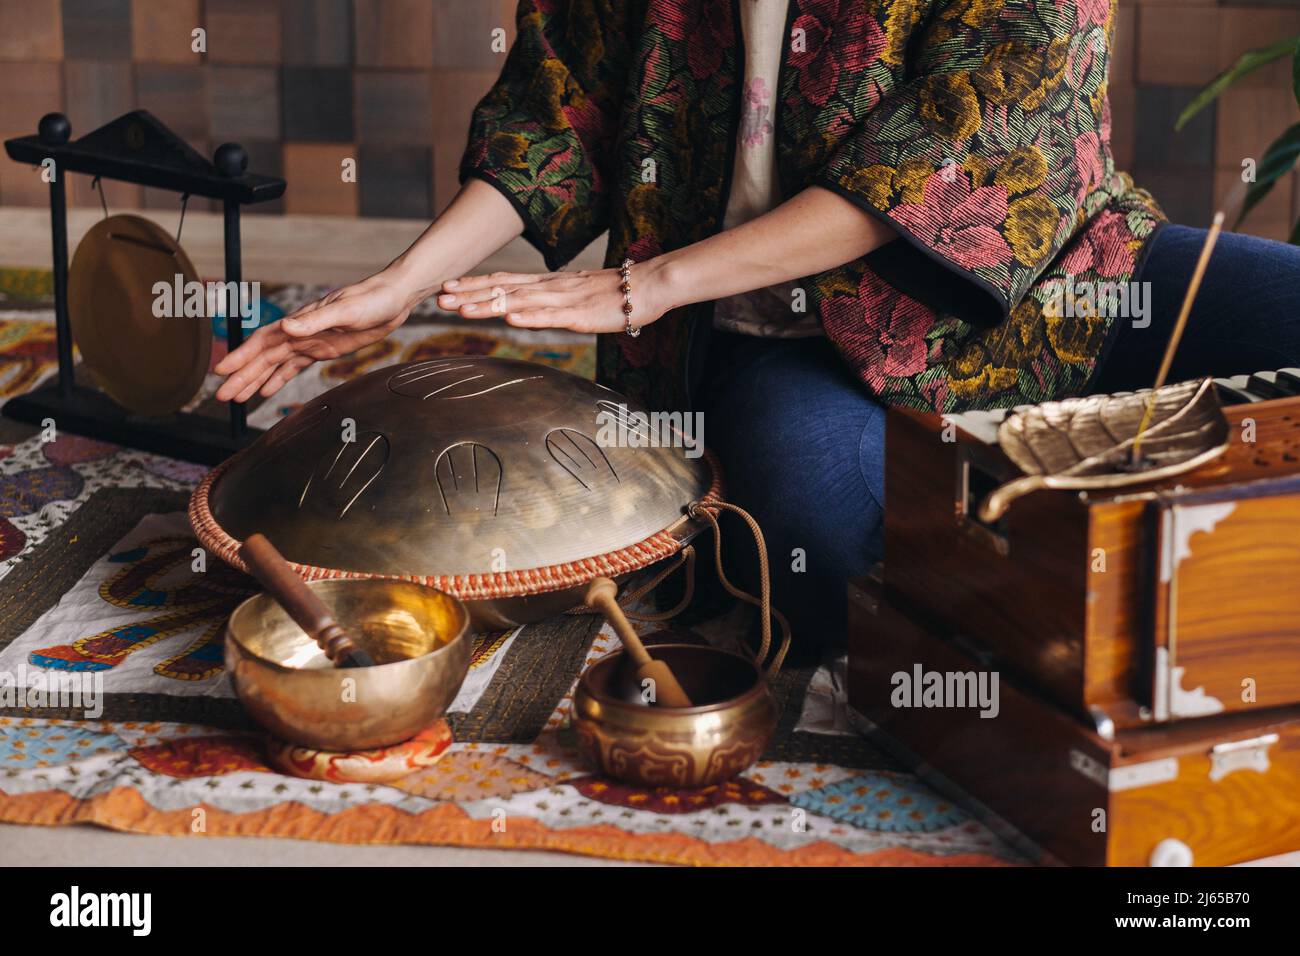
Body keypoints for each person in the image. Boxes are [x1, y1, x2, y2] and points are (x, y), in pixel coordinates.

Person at [216, 1, 1300, 656]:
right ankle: (1103, 614)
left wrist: (649, 284)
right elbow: (559, 113)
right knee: (818, 549)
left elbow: (954, 153)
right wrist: (401, 282)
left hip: (1057, 290)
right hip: (787, 336)